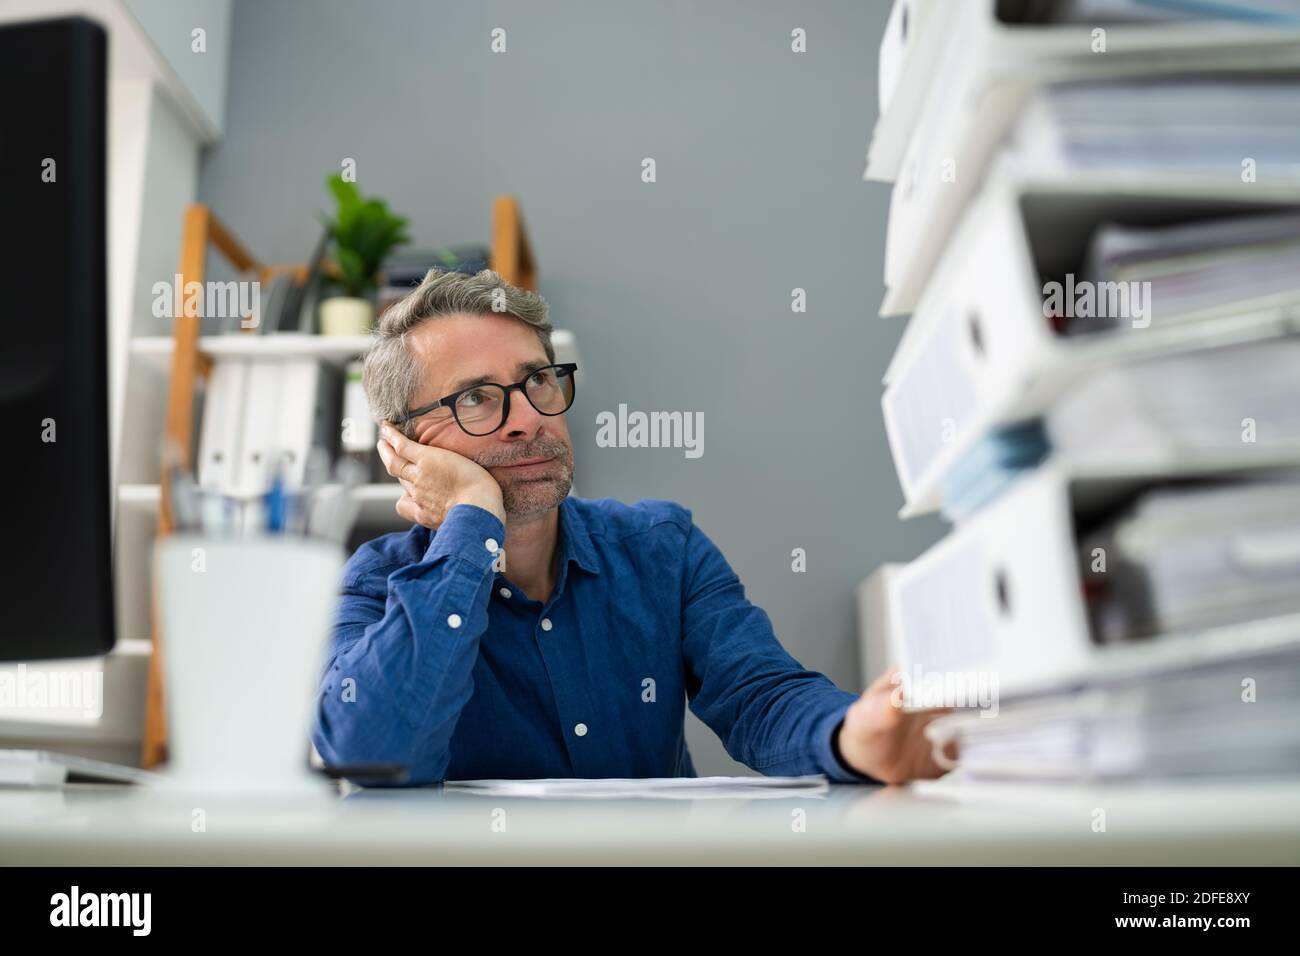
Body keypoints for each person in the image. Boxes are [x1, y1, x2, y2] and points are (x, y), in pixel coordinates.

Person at [312, 269, 952, 786]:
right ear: (402, 443)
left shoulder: (661, 549)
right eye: (476, 397)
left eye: (537, 380)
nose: (528, 419)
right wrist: (474, 517)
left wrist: (851, 735)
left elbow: (760, 695)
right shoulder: (378, 582)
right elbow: (373, 753)